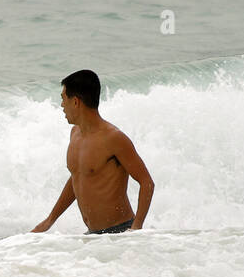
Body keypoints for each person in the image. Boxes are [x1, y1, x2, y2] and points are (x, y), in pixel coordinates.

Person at [31, 70, 155, 234]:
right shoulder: (75, 134)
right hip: (93, 237)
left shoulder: (113, 138)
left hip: (120, 233)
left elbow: (146, 182)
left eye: (63, 99)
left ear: (75, 102)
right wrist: (49, 221)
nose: (62, 105)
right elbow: (79, 176)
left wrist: (136, 228)